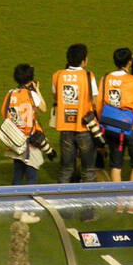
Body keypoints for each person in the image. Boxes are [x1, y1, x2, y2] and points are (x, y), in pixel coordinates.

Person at [51, 44, 99, 183]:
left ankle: (62, 195)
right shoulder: (89, 76)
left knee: (66, 169)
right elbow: (95, 101)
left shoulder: (57, 75)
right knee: (88, 170)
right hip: (84, 128)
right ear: (84, 60)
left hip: (65, 127)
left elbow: (56, 96)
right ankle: (88, 197)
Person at [102, 48, 133, 184]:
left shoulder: (106, 79)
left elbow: (99, 103)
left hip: (112, 126)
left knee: (116, 166)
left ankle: (117, 196)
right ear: (129, 63)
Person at [2, 64, 47, 185]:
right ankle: (30, 198)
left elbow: (4, 113)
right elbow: (43, 108)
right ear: (31, 79)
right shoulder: (31, 95)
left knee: (17, 175)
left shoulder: (10, 93)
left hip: (15, 139)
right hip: (30, 142)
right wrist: (37, 90)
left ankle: (15, 197)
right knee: (31, 178)